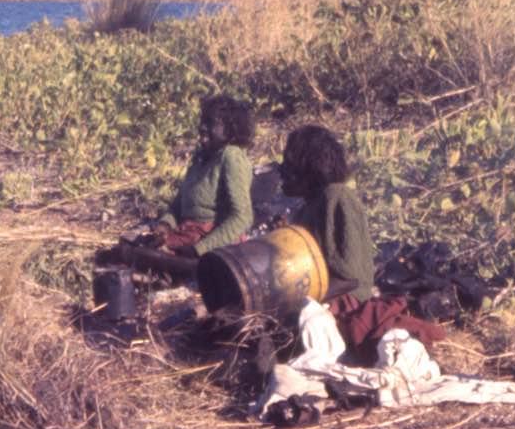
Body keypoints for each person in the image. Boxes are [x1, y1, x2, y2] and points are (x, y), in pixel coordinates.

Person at [278, 124, 443, 358]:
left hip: (345, 301)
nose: (282, 171)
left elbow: (353, 275)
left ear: (307, 168)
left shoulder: (336, 197)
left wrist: (304, 297)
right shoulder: (310, 206)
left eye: (288, 163)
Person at [149, 95, 256, 259]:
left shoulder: (230, 156)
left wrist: (199, 249)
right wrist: (166, 224)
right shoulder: (201, 156)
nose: (202, 127)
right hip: (189, 233)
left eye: (210, 123)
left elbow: (242, 217)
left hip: (213, 239)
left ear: (230, 129)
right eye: (202, 121)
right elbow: (178, 205)